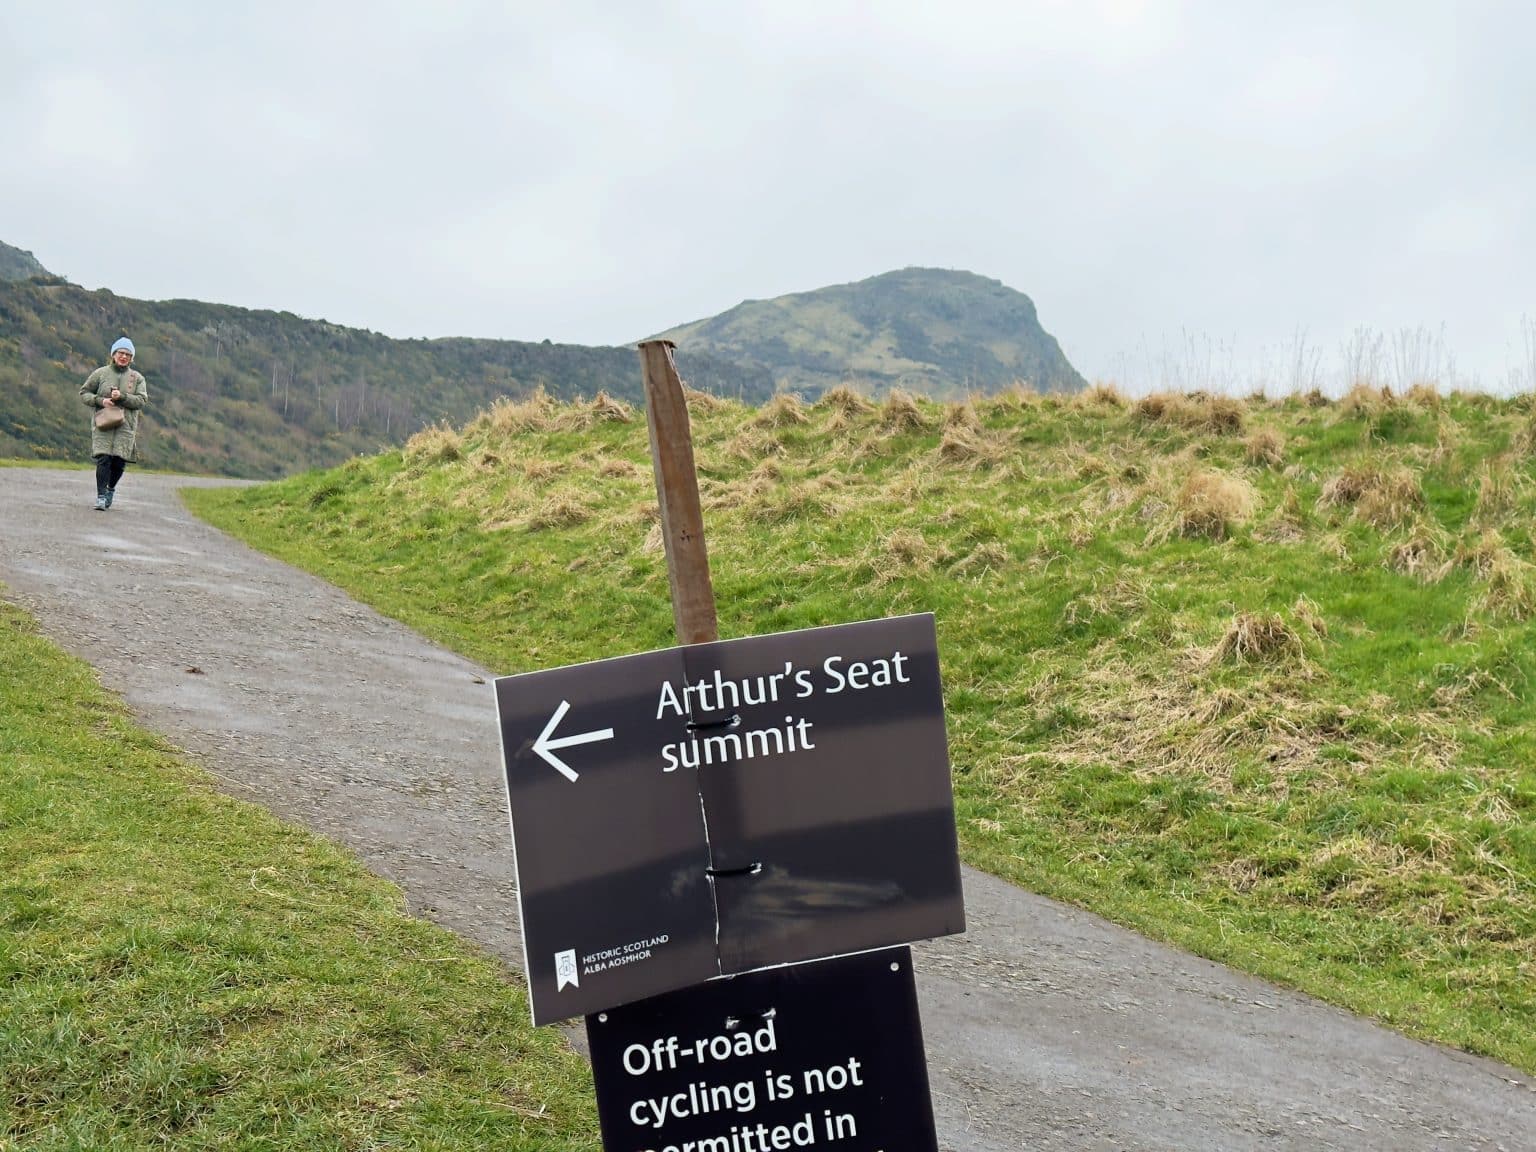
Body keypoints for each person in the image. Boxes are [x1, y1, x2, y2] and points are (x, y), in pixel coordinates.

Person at [80, 336, 149, 510]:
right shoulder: (100, 373)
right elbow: (84, 393)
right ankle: (101, 497)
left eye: (127, 354)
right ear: (113, 354)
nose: (123, 356)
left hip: (125, 426)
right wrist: (100, 401)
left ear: (131, 358)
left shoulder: (137, 378)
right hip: (103, 424)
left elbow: (141, 401)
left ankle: (110, 489)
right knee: (103, 458)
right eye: (120, 353)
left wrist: (123, 397)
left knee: (119, 461)